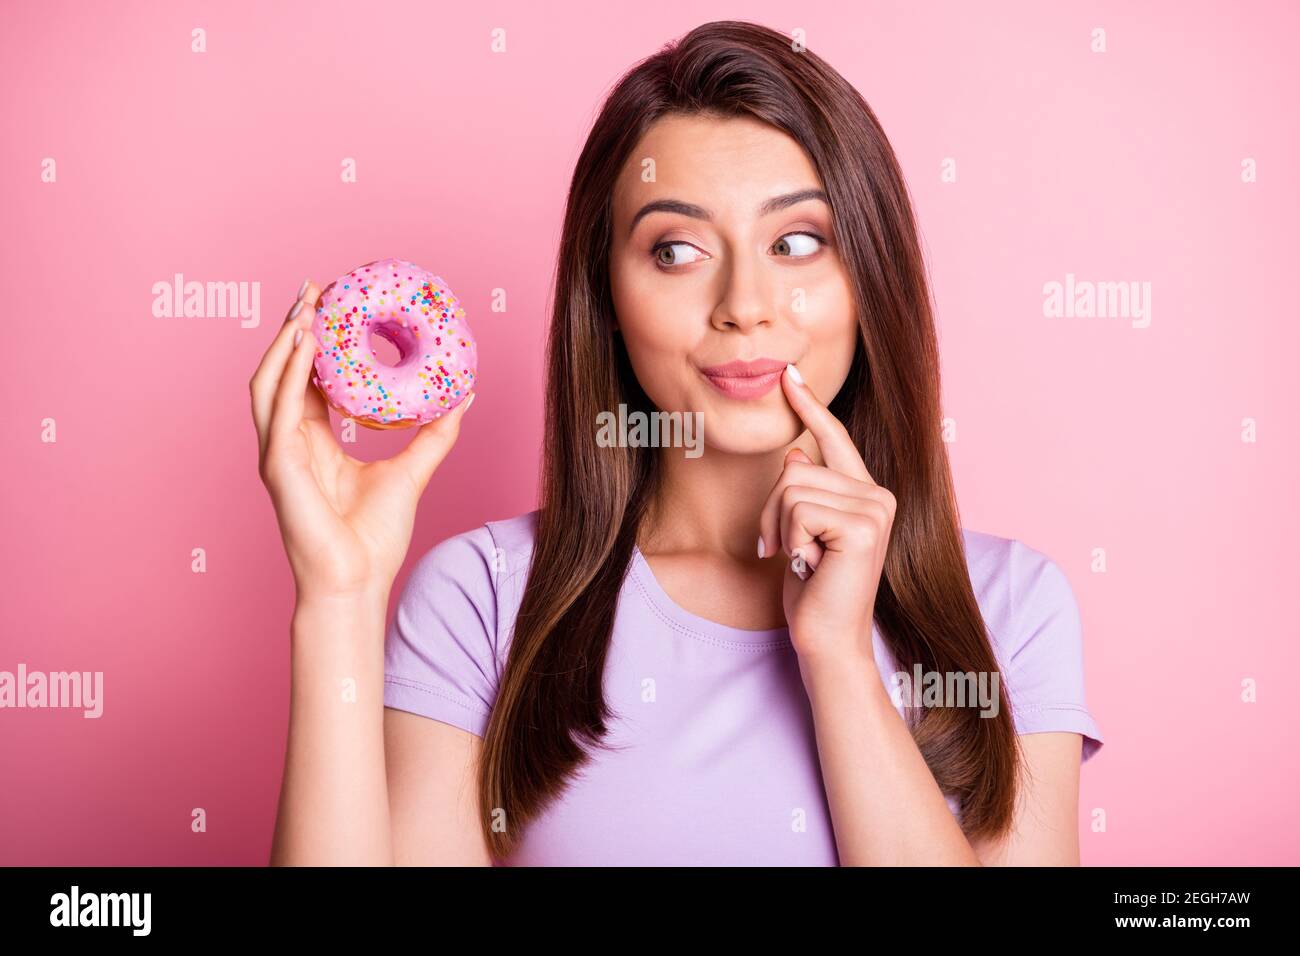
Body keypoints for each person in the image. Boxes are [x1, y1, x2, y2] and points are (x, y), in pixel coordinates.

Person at [254, 20, 1103, 867]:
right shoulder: (482, 599)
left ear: (868, 275)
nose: (744, 303)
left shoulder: (1010, 609)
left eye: (797, 242)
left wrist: (839, 658)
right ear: (609, 297)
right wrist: (339, 596)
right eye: (677, 250)